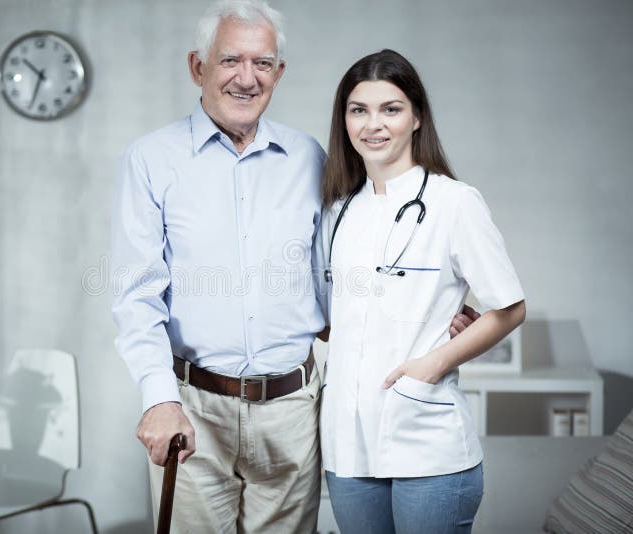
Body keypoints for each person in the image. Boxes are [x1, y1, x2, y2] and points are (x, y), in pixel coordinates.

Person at [112, 2, 477, 531]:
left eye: (262, 63)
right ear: (198, 67)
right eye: (229, 60)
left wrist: (429, 310)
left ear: (278, 74)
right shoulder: (150, 159)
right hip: (193, 407)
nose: (246, 77)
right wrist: (158, 400)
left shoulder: (310, 159)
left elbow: (340, 283)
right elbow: (136, 293)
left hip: (293, 410)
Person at [318, 49, 527, 534]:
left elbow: (510, 307)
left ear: (417, 118)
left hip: (426, 445)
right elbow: (338, 317)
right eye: (358, 110)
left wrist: (434, 362)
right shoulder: (338, 211)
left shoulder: (455, 203)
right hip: (348, 449)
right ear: (344, 121)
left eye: (390, 109)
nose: (374, 124)